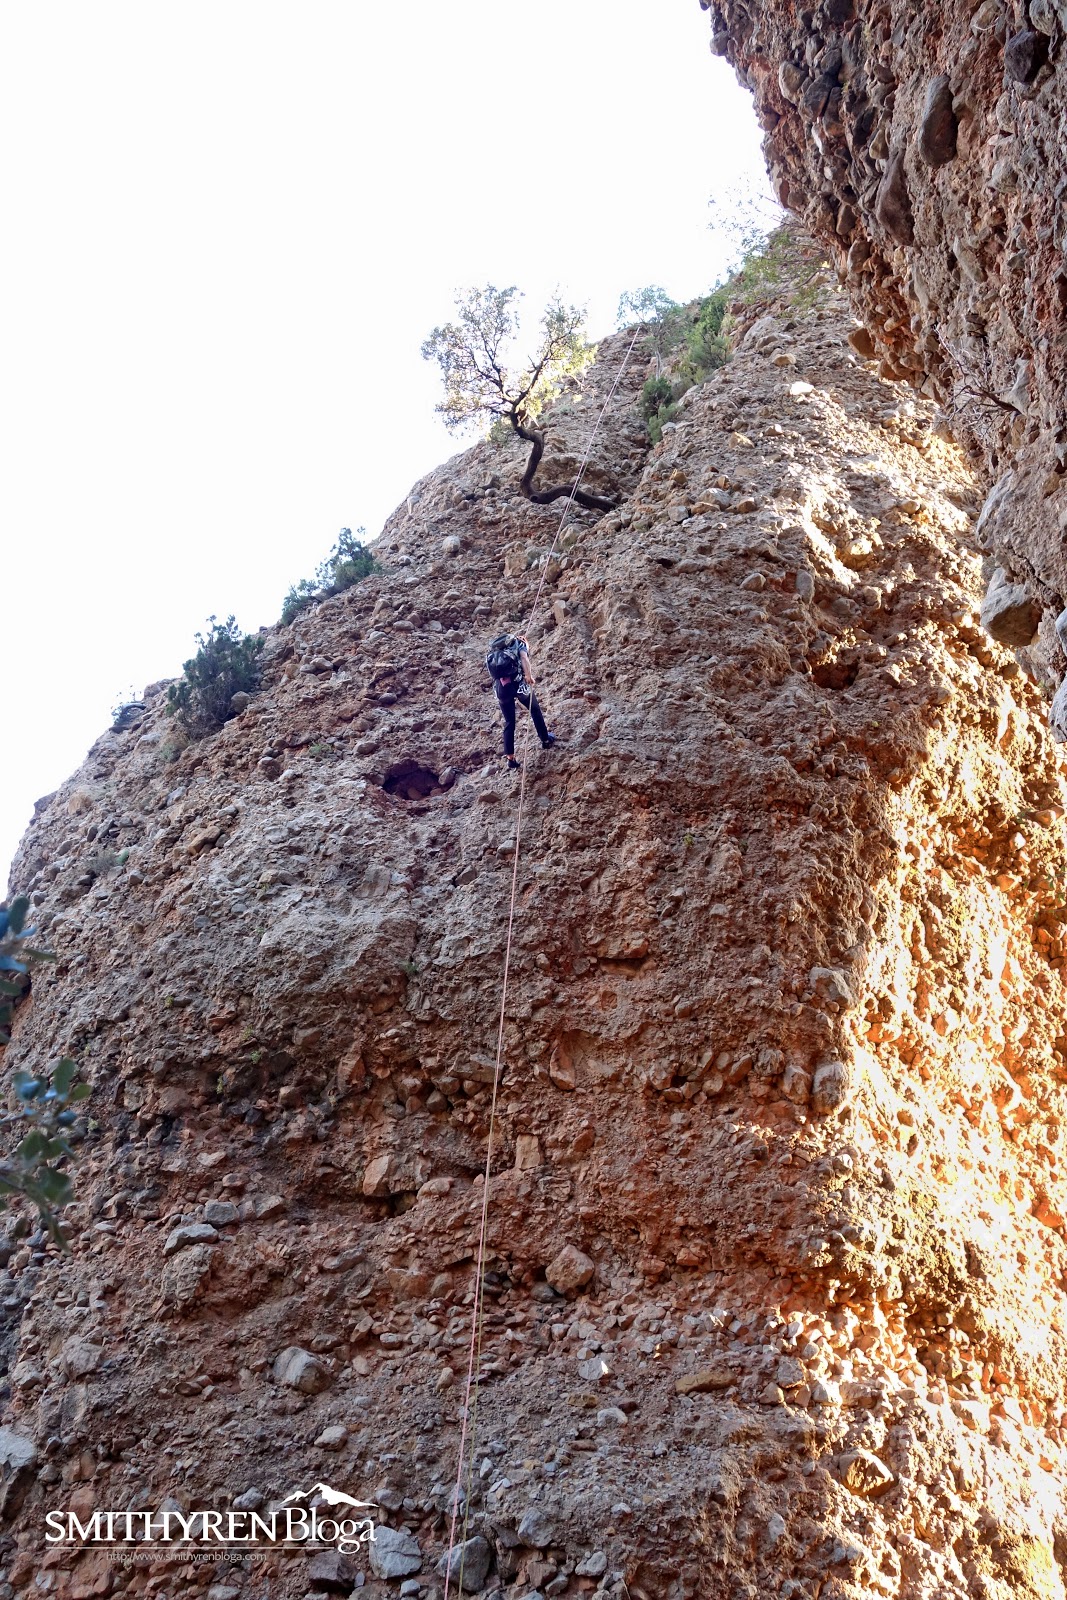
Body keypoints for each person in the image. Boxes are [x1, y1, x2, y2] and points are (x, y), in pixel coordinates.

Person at [485, 632, 556, 772]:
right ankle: (545, 740)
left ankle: (510, 759)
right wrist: (529, 676)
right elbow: (524, 658)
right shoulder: (519, 644)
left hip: (502, 689)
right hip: (519, 685)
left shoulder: (494, 651)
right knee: (534, 710)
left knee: (509, 722)